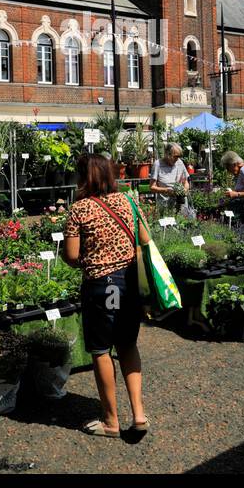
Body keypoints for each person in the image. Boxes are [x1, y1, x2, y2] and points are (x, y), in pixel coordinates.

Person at [62, 154, 148, 439]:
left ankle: (111, 421)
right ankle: (138, 414)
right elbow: (146, 240)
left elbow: (72, 256)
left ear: (83, 177)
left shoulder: (79, 209)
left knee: (101, 349)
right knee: (127, 345)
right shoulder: (128, 202)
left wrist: (92, 257)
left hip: (103, 287)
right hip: (130, 283)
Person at [148, 143, 190, 211]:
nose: (177, 159)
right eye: (175, 156)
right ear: (167, 154)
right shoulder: (157, 164)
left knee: (183, 221)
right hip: (165, 204)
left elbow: (185, 182)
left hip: (181, 203)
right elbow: (152, 187)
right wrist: (166, 190)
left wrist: (184, 190)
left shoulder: (180, 163)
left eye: (179, 156)